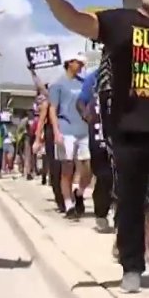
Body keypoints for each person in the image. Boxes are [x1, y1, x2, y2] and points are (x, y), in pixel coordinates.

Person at [29, 0, 149, 296]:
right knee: (131, 199)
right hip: (130, 128)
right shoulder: (120, 21)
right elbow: (75, 19)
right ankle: (132, 266)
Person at [49, 52, 90, 218]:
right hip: (66, 129)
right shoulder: (57, 84)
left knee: (88, 167)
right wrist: (56, 131)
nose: (80, 66)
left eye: (81, 63)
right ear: (69, 62)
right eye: (78, 63)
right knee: (67, 168)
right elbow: (52, 108)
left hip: (84, 130)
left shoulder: (84, 83)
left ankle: (79, 192)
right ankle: (68, 204)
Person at [77, 56, 115, 234]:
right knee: (104, 175)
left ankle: (121, 218)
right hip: (99, 131)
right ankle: (101, 214)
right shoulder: (93, 78)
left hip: (121, 130)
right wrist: (86, 114)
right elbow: (80, 101)